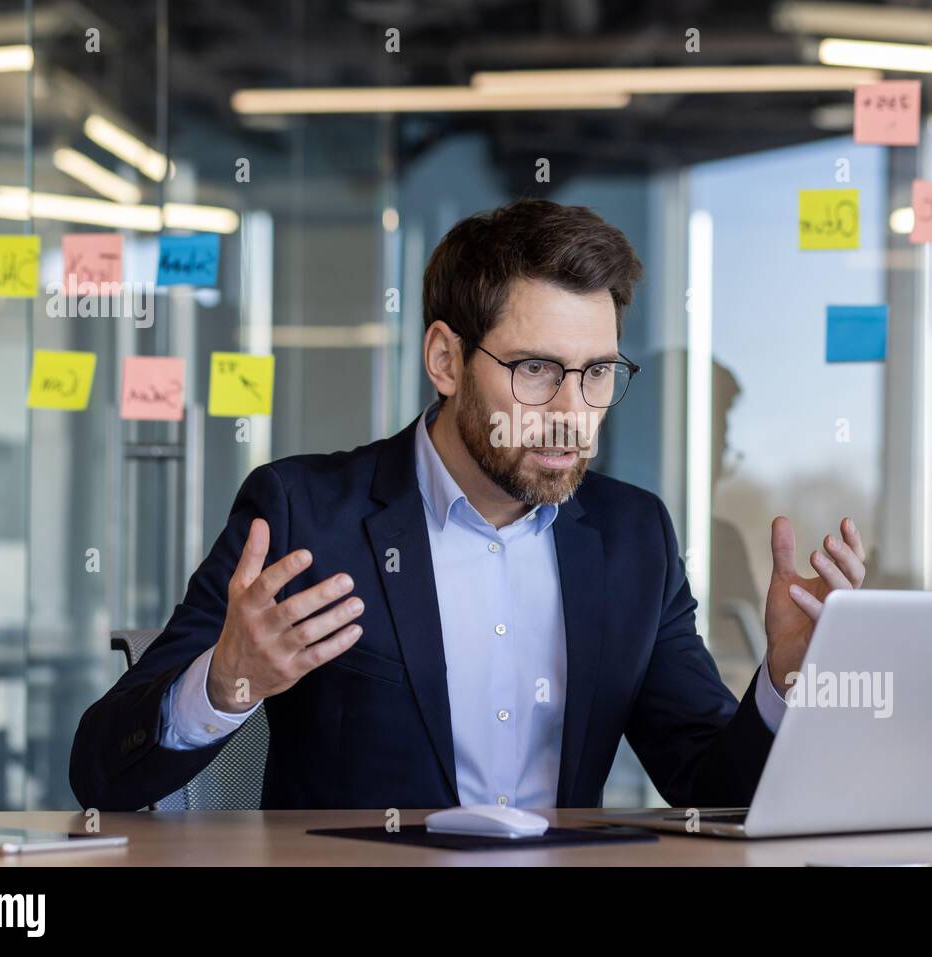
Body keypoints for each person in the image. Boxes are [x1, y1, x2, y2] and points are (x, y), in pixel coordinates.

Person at [69, 198, 866, 811]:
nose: (571, 410)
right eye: (535, 370)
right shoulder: (306, 512)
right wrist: (227, 680)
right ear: (445, 359)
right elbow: (100, 773)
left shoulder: (632, 539)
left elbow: (708, 786)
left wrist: (785, 681)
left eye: (596, 374)